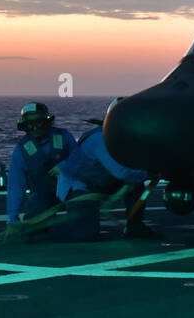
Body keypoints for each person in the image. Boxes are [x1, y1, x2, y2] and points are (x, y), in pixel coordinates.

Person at [50, 99, 158, 242]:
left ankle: (135, 226)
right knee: (84, 235)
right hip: (78, 190)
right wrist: (150, 173)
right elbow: (121, 172)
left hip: (99, 184)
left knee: (136, 184)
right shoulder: (99, 139)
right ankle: (46, 230)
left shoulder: (121, 137)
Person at [6, 102, 76, 225]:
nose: (35, 127)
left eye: (39, 122)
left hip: (71, 191)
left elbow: (81, 159)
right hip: (42, 197)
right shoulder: (21, 151)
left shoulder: (64, 137)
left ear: (47, 121)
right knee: (37, 227)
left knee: (81, 221)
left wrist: (65, 166)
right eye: (30, 123)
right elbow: (16, 185)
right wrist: (12, 217)